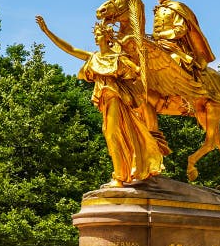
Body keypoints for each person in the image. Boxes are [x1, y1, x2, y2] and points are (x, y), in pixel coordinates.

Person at [36, 16, 164, 187]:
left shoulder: (119, 58)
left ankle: (119, 177)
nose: (96, 37)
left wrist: (143, 58)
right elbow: (71, 49)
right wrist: (47, 32)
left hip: (117, 99)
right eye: (95, 34)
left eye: (98, 34)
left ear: (107, 36)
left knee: (113, 135)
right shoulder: (94, 57)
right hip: (106, 103)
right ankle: (121, 174)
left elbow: (139, 72)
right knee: (111, 136)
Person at [152, 0, 215, 80]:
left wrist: (160, 35)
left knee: (175, 61)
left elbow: (181, 29)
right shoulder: (158, 9)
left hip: (174, 46)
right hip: (158, 44)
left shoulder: (175, 7)